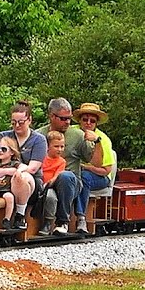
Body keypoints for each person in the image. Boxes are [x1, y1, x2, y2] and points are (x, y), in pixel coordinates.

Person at [34, 97, 85, 234]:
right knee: (50, 194)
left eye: (69, 118)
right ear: (51, 116)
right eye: (63, 118)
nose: (68, 122)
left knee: (65, 176)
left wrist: (96, 142)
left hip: (71, 183)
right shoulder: (38, 135)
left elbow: (95, 161)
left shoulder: (78, 135)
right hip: (45, 182)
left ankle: (63, 222)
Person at [0, 101, 41, 230]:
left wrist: (9, 171)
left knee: (21, 176)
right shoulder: (3, 136)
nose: (17, 125)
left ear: (29, 120)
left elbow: (32, 168)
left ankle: (20, 215)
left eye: (21, 122)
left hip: (30, 182)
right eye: (13, 122)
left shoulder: (38, 139)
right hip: (2, 185)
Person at [74, 102, 114, 231]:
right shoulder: (72, 132)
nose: (88, 123)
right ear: (80, 121)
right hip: (73, 172)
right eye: (85, 119)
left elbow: (106, 170)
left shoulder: (103, 139)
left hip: (100, 177)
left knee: (84, 178)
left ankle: (81, 218)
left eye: (92, 121)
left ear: (96, 123)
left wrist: (86, 167)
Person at [38, 130, 70, 235]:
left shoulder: (61, 161)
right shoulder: (41, 157)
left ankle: (48, 222)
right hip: (38, 184)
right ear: (48, 146)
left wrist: (47, 185)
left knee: (51, 197)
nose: (60, 149)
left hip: (50, 186)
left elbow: (57, 177)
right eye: (56, 146)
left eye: (62, 146)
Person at [0, 136, 21, 229]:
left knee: (9, 197)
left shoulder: (14, 163)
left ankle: (7, 219)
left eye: (4, 149)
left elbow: (23, 168)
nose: (0, 151)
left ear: (11, 152)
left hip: (5, 190)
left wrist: (7, 171)